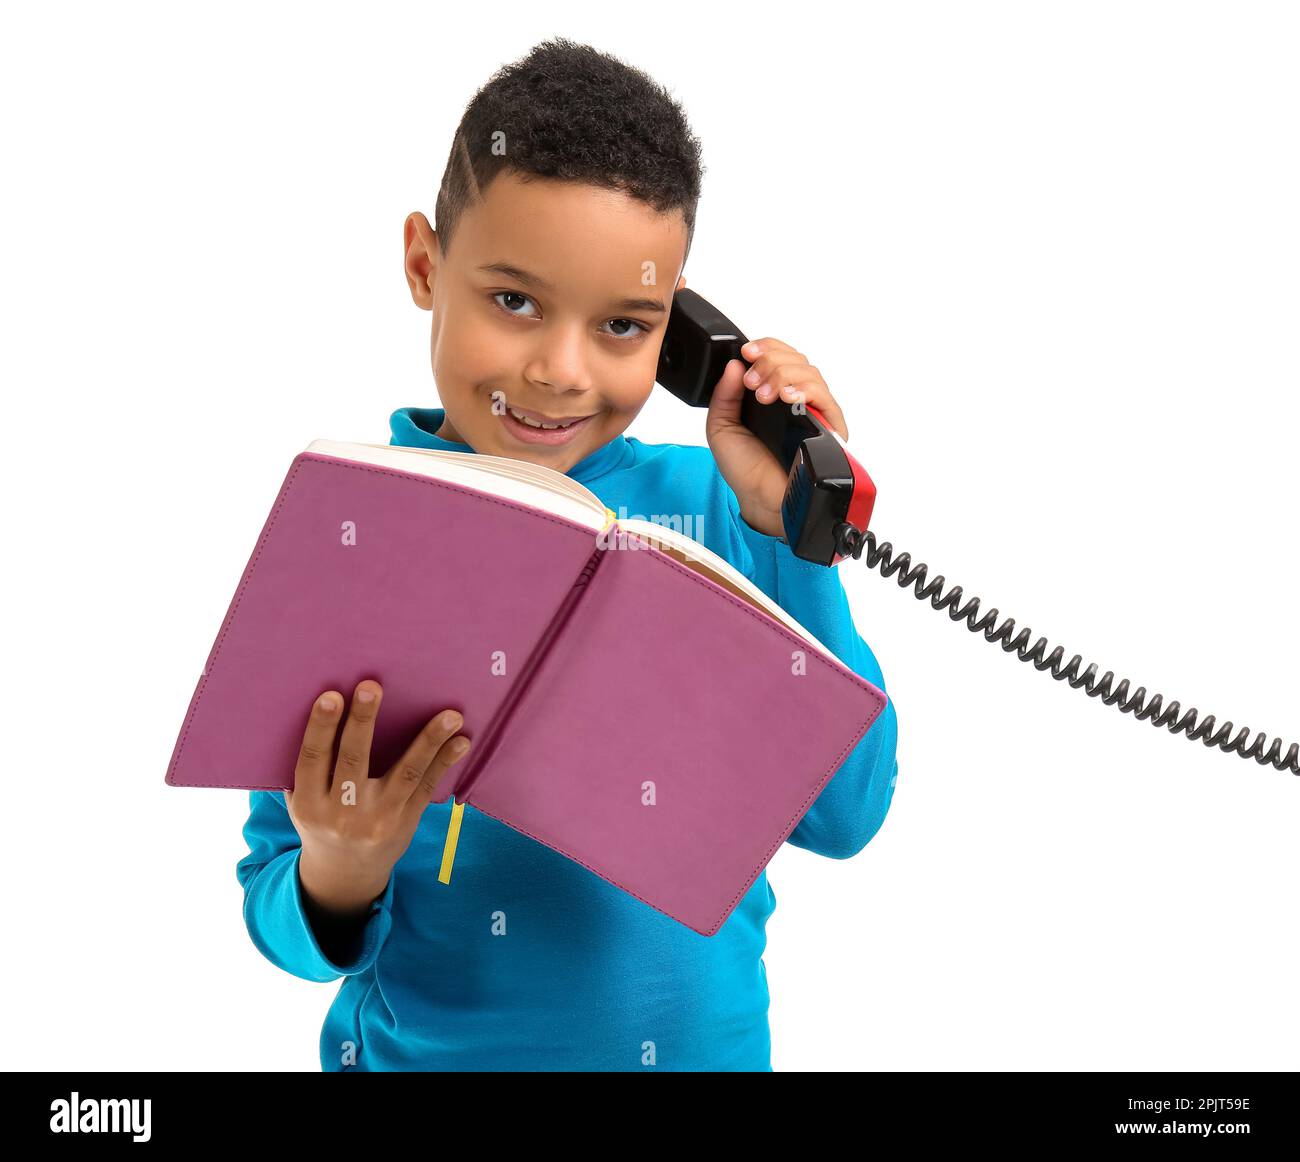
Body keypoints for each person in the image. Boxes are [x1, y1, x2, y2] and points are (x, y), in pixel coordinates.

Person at [236, 36, 899, 1072]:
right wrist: (336, 868)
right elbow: (275, 909)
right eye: (513, 301)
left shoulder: (721, 511)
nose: (558, 370)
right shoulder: (350, 539)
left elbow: (845, 813)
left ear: (680, 332)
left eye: (626, 326)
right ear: (424, 263)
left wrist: (793, 537)